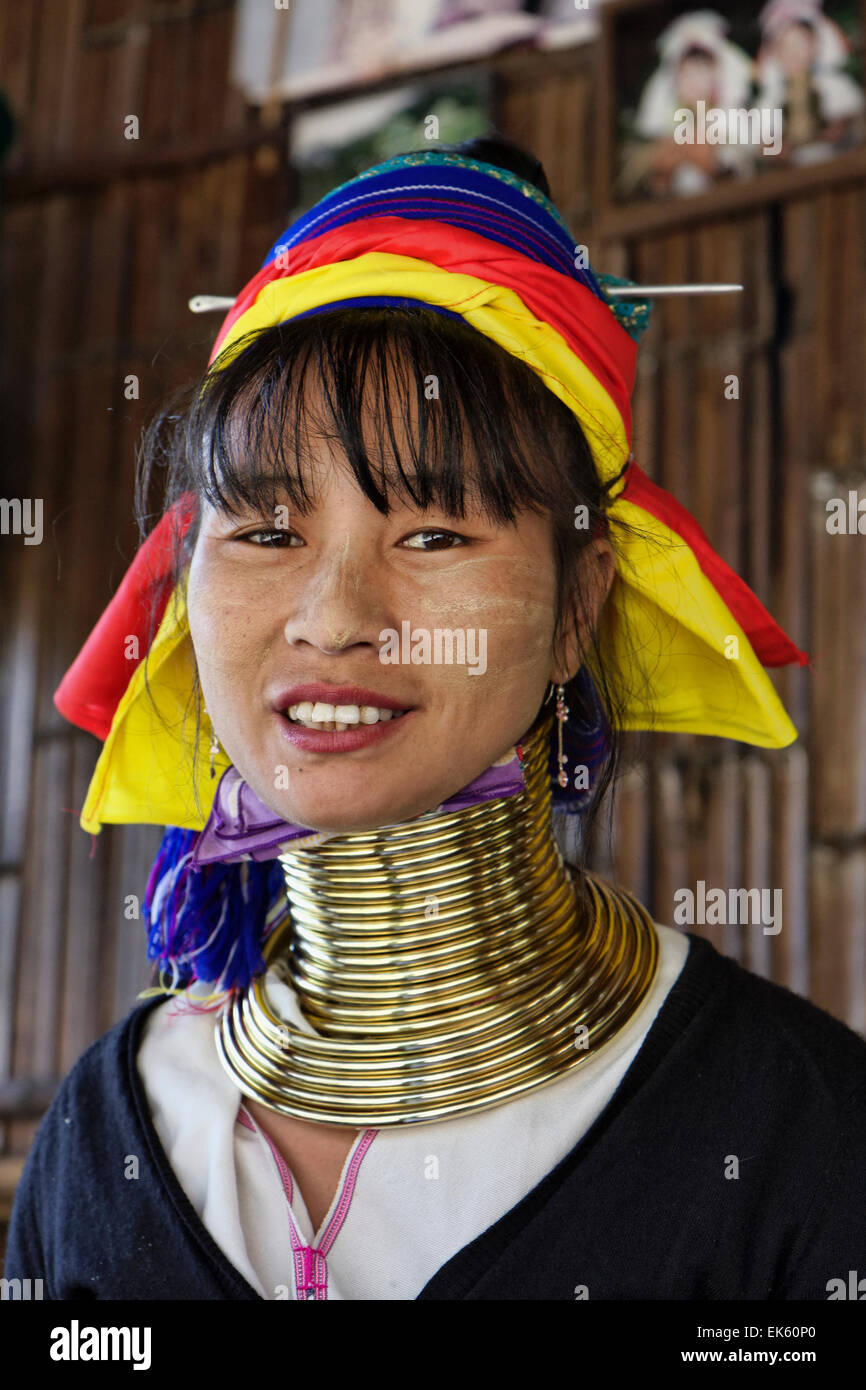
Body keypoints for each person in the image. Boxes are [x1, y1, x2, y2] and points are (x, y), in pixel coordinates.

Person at [5, 135, 865, 1302]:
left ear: (577, 607)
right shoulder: (102, 1136)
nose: (335, 618)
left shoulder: (791, 1135)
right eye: (265, 531)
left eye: (433, 533)